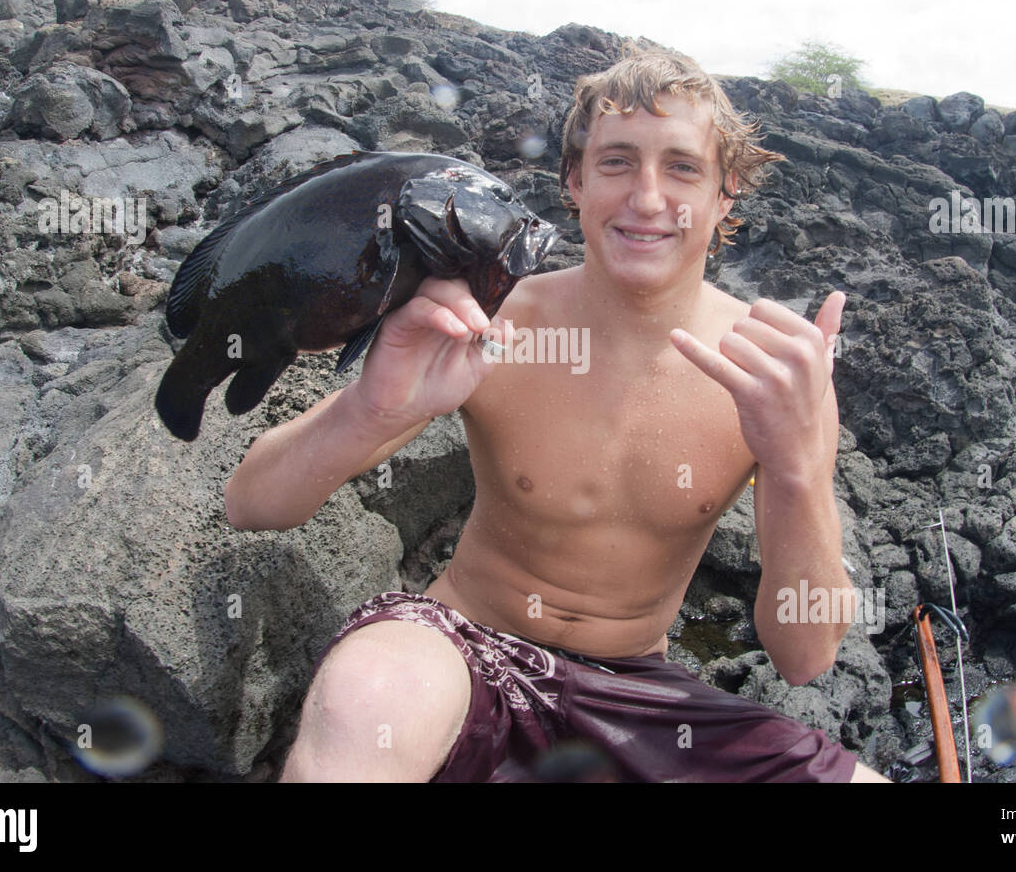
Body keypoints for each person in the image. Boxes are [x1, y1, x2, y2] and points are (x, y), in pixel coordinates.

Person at [225, 48, 889, 782]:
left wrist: (797, 467)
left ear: (726, 194)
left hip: (639, 696)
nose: (645, 197)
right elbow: (252, 503)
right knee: (364, 700)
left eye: (682, 167)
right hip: (458, 647)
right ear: (573, 182)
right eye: (616, 163)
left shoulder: (775, 372)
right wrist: (371, 408)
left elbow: (806, 656)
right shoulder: (495, 320)